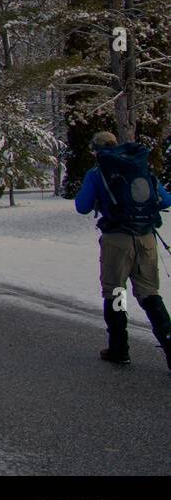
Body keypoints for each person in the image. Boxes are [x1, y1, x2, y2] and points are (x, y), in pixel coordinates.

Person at [74, 131, 171, 370]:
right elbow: (166, 200)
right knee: (150, 293)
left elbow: (82, 206)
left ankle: (119, 348)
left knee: (116, 292)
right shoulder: (141, 168)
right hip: (146, 238)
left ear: (96, 150)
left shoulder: (98, 172)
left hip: (116, 240)